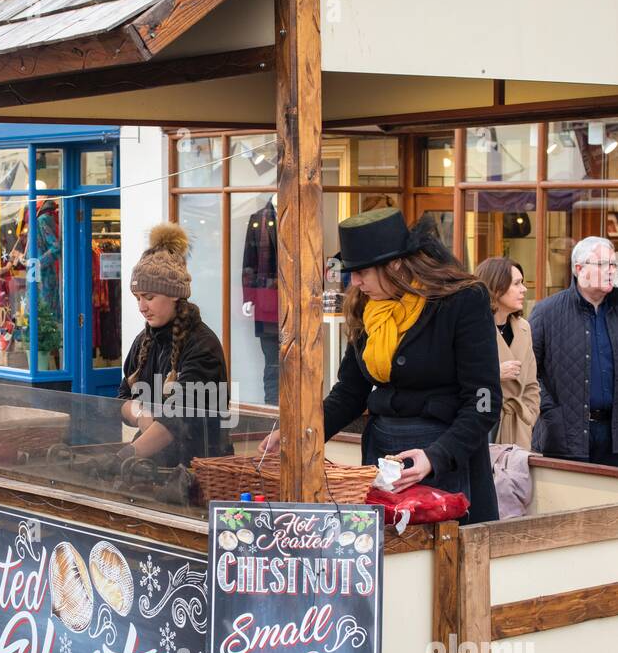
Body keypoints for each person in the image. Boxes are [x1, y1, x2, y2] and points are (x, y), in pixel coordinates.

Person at [261, 208, 502, 523]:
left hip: (445, 460)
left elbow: (484, 400)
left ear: (396, 264)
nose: (356, 282)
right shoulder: (367, 308)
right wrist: (301, 433)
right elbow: (349, 391)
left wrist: (436, 456)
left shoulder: (463, 301)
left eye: (362, 272)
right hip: (382, 455)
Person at [119, 224, 229, 467]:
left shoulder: (202, 345)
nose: (141, 307)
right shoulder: (143, 341)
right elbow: (122, 399)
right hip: (151, 464)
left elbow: (178, 421)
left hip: (197, 469)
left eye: (149, 297)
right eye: (138, 298)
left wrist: (122, 458)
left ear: (174, 294)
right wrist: (140, 414)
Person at [529, 236, 618, 466]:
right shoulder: (546, 312)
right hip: (565, 436)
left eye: (614, 264)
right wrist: (551, 413)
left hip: (613, 435)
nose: (611, 271)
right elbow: (530, 372)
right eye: (602, 265)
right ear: (579, 269)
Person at [475, 257, 540, 449]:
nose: (524, 289)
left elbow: (531, 385)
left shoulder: (523, 328)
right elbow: (454, 379)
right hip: (483, 426)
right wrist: (494, 375)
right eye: (517, 283)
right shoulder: (472, 328)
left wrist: (529, 416)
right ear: (496, 288)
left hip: (518, 427)